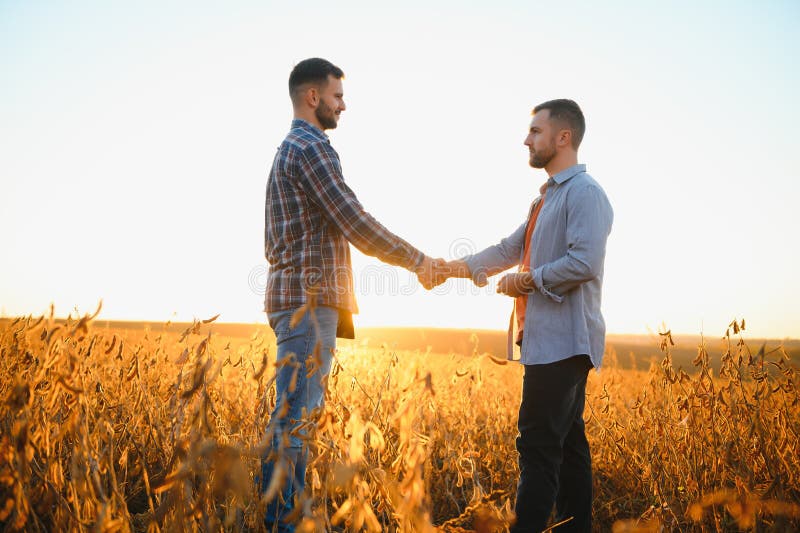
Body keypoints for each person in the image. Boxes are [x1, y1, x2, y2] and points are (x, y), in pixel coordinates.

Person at [261, 57, 440, 532]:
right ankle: (281, 523)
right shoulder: (311, 148)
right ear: (312, 97)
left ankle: (289, 519)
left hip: (295, 299)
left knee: (295, 420)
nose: (344, 105)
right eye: (338, 96)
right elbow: (355, 221)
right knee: (293, 422)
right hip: (309, 302)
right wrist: (416, 259)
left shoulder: (288, 149)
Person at [440, 99, 613, 532]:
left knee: (536, 448)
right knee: (568, 447)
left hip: (563, 343)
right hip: (546, 343)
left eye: (535, 131)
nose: (526, 139)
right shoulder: (545, 200)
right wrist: (451, 269)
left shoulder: (585, 194)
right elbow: (507, 249)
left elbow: (585, 262)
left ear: (563, 137)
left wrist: (527, 281)